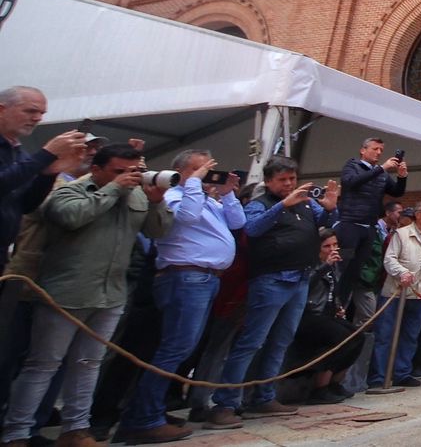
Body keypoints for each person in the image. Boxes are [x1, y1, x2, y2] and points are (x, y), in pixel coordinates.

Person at [2, 142, 165, 447]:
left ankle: (76, 428)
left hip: (111, 293)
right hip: (66, 292)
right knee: (43, 364)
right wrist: (114, 189)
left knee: (89, 363)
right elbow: (71, 217)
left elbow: (158, 232)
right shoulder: (70, 191)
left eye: (132, 171)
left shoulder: (137, 195)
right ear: (97, 169)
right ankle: (17, 433)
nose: (127, 177)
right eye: (119, 171)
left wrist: (157, 202)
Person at [120, 149, 244, 444]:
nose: (206, 174)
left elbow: (238, 223)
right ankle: (144, 418)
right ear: (182, 172)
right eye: (200, 169)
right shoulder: (175, 196)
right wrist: (191, 184)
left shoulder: (206, 200)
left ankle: (150, 411)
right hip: (185, 277)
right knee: (174, 348)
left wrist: (227, 194)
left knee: (181, 349)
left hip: (206, 279)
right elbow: (186, 219)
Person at [205, 156, 336, 430]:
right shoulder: (260, 204)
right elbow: (251, 229)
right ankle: (225, 403)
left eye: (292, 179)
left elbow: (318, 226)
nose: (289, 184)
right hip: (271, 281)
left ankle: (264, 396)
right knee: (251, 342)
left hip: (299, 279)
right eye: (282, 180)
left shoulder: (304, 205)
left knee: (281, 341)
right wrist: (282, 205)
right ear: (268, 182)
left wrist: (329, 208)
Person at [0, 86, 86, 275]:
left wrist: (48, 174)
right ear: (2, 109)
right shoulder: (28, 157)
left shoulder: (19, 153)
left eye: (41, 113)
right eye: (30, 111)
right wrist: (46, 154)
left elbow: (26, 205)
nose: (38, 118)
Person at [369, 201, 421, 389]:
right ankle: (379, 375)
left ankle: (402, 372)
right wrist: (401, 272)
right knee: (385, 334)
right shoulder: (401, 234)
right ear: (418, 214)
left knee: (411, 335)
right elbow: (389, 258)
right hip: (394, 293)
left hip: (419, 294)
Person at [285, 229, 361, 405]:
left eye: (335, 245)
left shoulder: (334, 266)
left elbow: (333, 290)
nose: (332, 249)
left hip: (327, 313)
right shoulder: (310, 263)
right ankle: (320, 387)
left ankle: (335, 381)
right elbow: (305, 286)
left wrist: (338, 307)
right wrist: (324, 265)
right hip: (308, 314)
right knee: (340, 338)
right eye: (327, 246)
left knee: (358, 337)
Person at [336, 137, 405, 303]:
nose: (379, 153)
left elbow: (396, 192)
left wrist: (402, 177)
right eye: (375, 149)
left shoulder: (382, 174)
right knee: (341, 267)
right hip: (350, 222)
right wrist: (381, 168)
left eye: (381, 150)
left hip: (369, 226)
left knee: (355, 270)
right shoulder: (352, 165)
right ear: (363, 150)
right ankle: (332, 302)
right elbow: (350, 182)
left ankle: (342, 306)